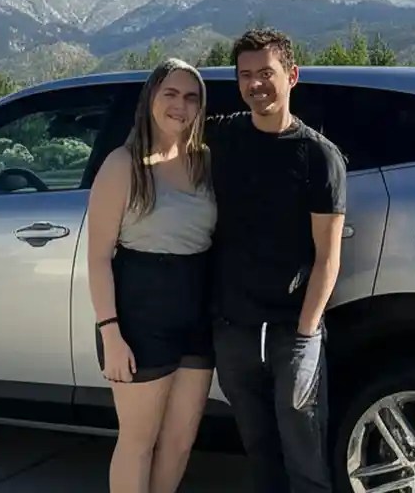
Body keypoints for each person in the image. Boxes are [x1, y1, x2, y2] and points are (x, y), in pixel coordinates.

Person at [205, 28, 349, 493]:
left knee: (304, 454)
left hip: (292, 331)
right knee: (259, 451)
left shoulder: (318, 157)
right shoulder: (223, 137)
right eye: (245, 75)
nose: (255, 84)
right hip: (234, 330)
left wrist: (307, 332)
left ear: (292, 76)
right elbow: (162, 130)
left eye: (266, 73)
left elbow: (328, 256)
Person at [86, 57, 218, 493]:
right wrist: (111, 332)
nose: (181, 105)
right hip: (141, 314)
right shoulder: (123, 165)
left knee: (180, 442)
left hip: (197, 312)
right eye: (171, 94)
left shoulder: (206, 163)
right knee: (138, 441)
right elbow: (99, 257)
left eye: (191, 97)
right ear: (151, 99)